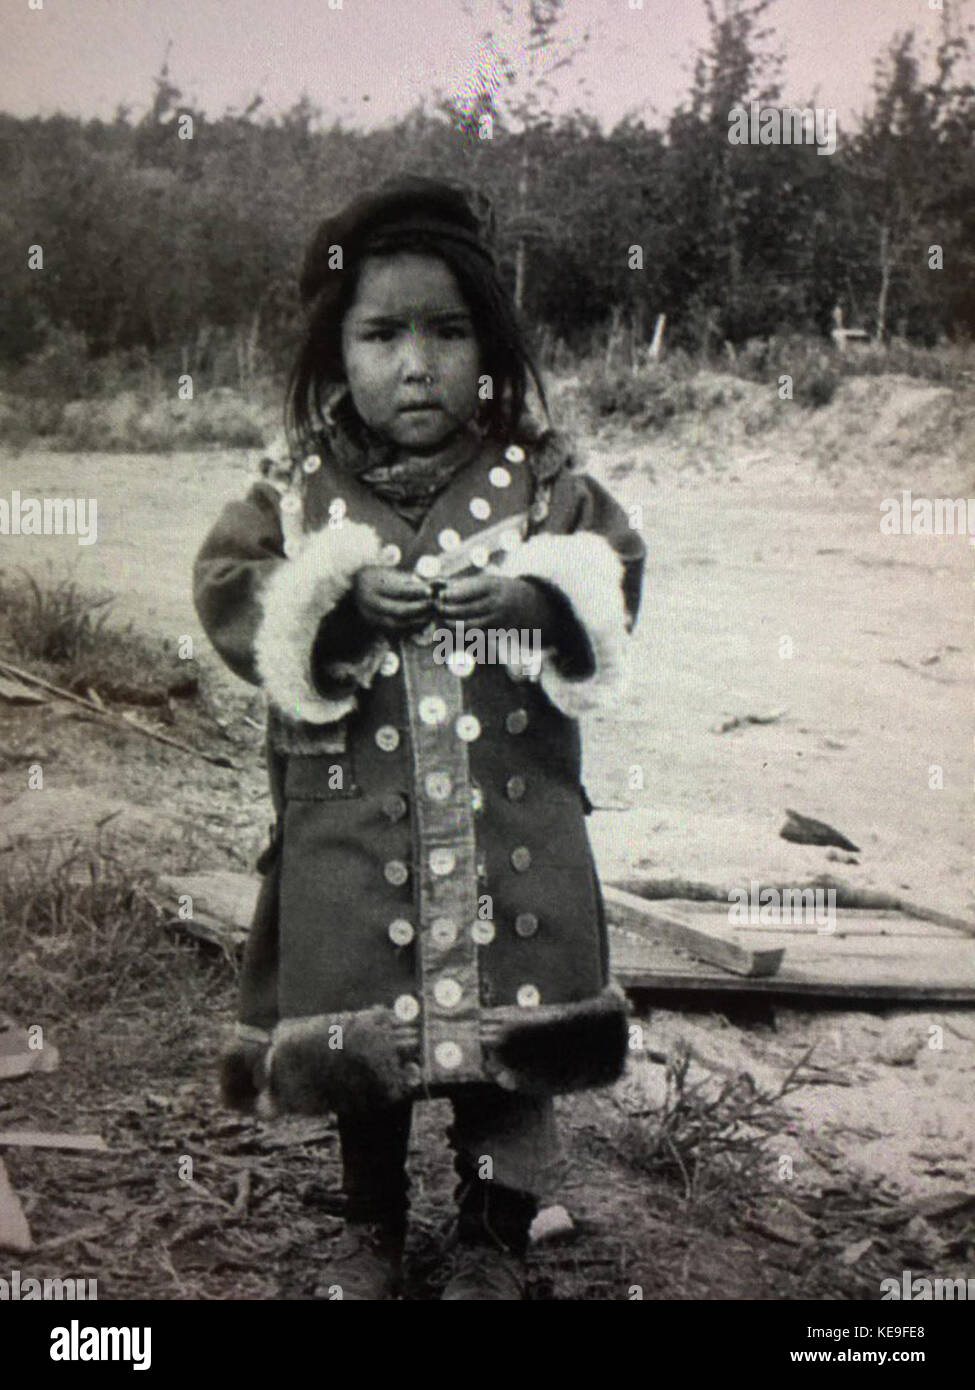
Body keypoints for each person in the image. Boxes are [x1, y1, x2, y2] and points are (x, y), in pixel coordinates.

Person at [193, 174, 645, 1300]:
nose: (416, 363)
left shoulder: (543, 485)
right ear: (334, 349)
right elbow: (230, 591)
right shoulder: (296, 494)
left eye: (448, 332)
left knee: (512, 1043)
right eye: (381, 333)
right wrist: (332, 602)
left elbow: (616, 574)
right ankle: (374, 1227)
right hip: (352, 829)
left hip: (513, 831)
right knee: (363, 1043)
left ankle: (495, 1233)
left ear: (488, 345)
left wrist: (543, 600)